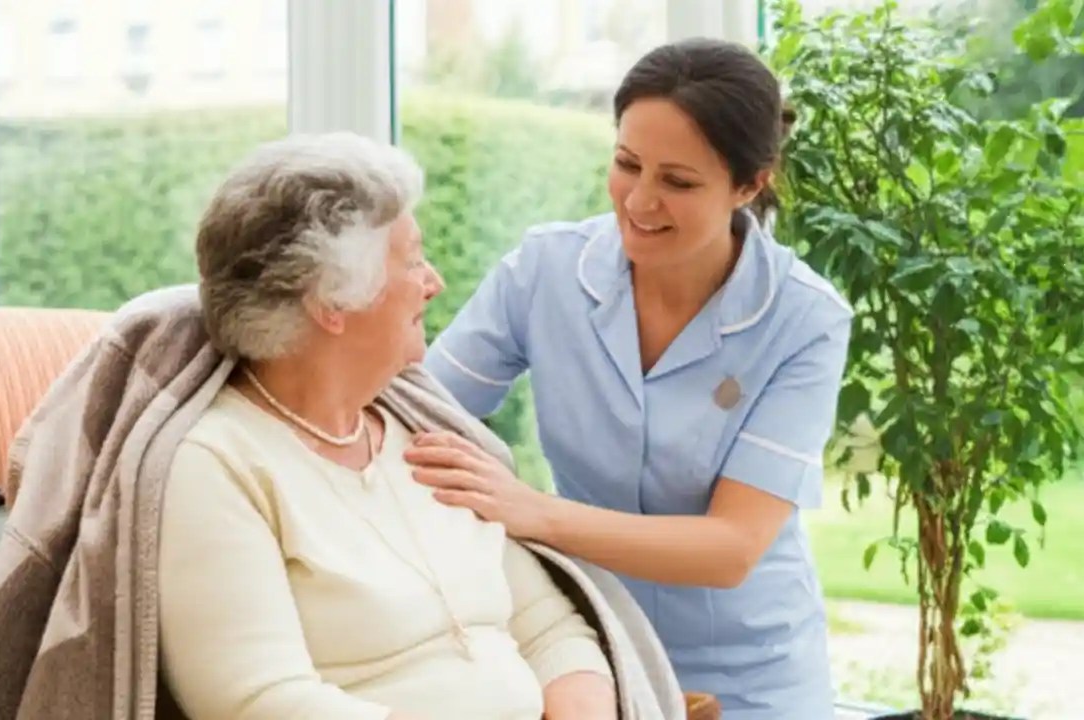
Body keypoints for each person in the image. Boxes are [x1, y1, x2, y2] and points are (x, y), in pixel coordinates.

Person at [411, 38, 852, 719]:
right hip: (589, 654)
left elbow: (731, 547)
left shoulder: (804, 319)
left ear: (750, 183)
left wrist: (535, 512)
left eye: (678, 181)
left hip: (751, 681)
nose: (640, 200)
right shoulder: (544, 272)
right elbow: (417, 410)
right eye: (626, 164)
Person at [155, 133, 619, 720]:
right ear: (332, 302)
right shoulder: (217, 463)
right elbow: (256, 702)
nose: (434, 282)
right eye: (412, 260)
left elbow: (552, 631)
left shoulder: (418, 431)